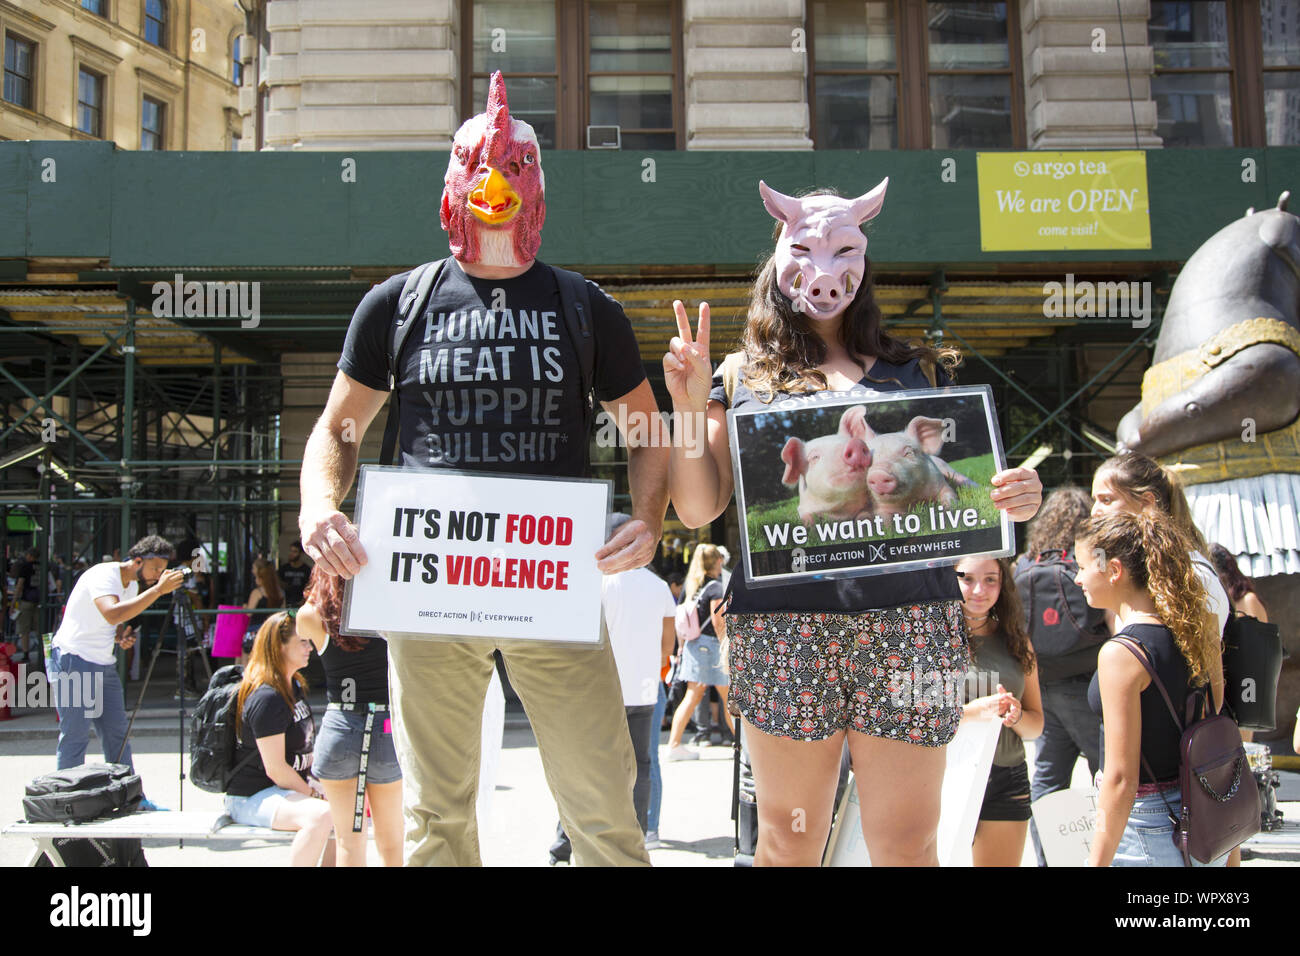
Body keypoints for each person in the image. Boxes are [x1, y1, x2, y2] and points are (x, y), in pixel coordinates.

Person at [298, 73, 668, 866]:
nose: (494, 187)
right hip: (428, 591)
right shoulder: (397, 303)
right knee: (439, 820)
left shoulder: (585, 306)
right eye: (477, 168)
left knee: (604, 810)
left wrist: (651, 518)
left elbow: (645, 426)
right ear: (453, 179)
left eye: (513, 170)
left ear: (537, 182)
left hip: (550, 584)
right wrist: (316, 508)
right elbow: (338, 427)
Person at [663, 178, 1043, 865]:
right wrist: (689, 403)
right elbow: (697, 508)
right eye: (805, 248)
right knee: (789, 838)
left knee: (906, 842)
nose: (825, 269)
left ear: (863, 261)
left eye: (845, 249)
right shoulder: (740, 374)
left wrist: (1015, 494)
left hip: (910, 622)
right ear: (780, 255)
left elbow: (957, 495)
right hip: (784, 625)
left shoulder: (909, 370)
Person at [1074, 511, 1226, 867]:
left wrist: (1095, 862)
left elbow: (1121, 779)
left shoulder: (1122, 654)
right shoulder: (1198, 629)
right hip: (1203, 811)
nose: (1078, 578)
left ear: (1113, 570)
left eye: (1082, 566)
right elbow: (1215, 723)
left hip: (1148, 824)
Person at [549, 513, 677, 862]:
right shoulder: (659, 586)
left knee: (582, 768)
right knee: (642, 764)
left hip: (598, 691)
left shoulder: (597, 584)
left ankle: (565, 843)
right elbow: (668, 646)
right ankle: (638, 836)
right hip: (645, 687)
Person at [1013, 486, 1109, 866]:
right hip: (1088, 686)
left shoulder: (1024, 564)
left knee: (1048, 780)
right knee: (1105, 774)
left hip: (1042, 687)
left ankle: (1047, 858)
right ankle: (1105, 856)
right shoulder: (1087, 565)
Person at [46, 536, 187, 776]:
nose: (158, 574)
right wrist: (158, 590)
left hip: (103, 663)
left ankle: (130, 796)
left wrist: (120, 637)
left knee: (117, 734)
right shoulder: (104, 575)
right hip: (73, 659)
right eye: (155, 569)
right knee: (76, 734)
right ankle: (65, 799)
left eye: (162, 570)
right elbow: (111, 613)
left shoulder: (131, 586)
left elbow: (114, 624)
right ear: (138, 561)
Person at [295, 564, 403, 867]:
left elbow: (301, 625)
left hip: (340, 724)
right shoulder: (394, 605)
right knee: (392, 838)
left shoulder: (312, 615)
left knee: (348, 839)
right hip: (386, 725)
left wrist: (325, 585)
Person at [226, 611, 335, 867]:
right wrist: (312, 794)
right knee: (323, 815)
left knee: (346, 810)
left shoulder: (294, 686)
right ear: (279, 647)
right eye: (302, 642)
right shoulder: (267, 697)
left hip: (286, 791)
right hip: (252, 796)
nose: (310, 648)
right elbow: (276, 769)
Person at [956, 555, 1043, 867]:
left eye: (991, 579)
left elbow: (1036, 727)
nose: (979, 589)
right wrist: (972, 711)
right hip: (945, 776)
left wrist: (1017, 716)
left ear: (1003, 584)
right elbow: (913, 717)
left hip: (1007, 778)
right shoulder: (931, 640)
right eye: (967, 578)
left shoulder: (1016, 640)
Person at [1090, 451, 1230, 643]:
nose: (1094, 511)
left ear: (1146, 503)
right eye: (1094, 500)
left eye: (1106, 500)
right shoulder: (1148, 569)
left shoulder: (1191, 574)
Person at [665, 544, 733, 760]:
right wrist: (726, 647)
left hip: (693, 644)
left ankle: (674, 744)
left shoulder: (690, 587)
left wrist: (681, 647)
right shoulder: (715, 587)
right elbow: (718, 620)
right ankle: (742, 744)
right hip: (711, 645)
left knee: (693, 695)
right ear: (717, 562)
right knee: (728, 696)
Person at [242, 557, 283, 665]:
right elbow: (282, 612)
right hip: (272, 630)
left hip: (254, 631)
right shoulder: (280, 592)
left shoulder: (257, 592)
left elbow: (249, 612)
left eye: (253, 568)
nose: (251, 570)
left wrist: (245, 607)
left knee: (247, 661)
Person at [13, 547, 39, 663]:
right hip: (40, 601)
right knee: (41, 629)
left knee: (24, 629)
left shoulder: (25, 567)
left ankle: (25, 653)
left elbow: (20, 585)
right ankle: (45, 652)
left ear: (29, 555)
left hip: (26, 600)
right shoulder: (43, 566)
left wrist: (14, 601)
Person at [279, 541, 313, 607]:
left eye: (295, 552)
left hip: (302, 603)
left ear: (301, 554)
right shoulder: (284, 568)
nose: (291, 554)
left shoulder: (306, 570)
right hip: (286, 603)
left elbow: (310, 586)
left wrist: (303, 601)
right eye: (291, 551)